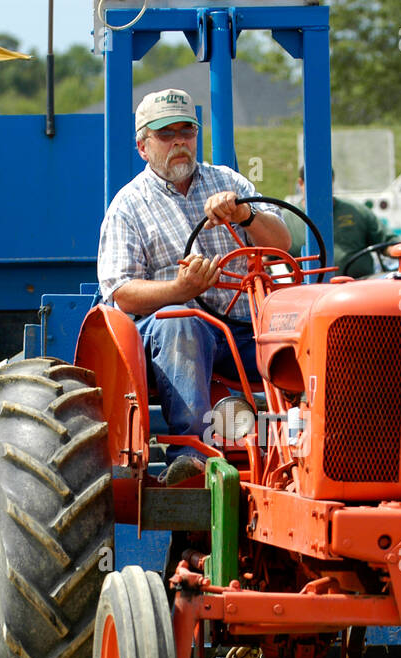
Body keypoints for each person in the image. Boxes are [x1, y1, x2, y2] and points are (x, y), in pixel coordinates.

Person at [97, 88, 290, 482]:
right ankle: (192, 455)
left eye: (186, 132)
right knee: (179, 319)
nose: (179, 143)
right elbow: (121, 293)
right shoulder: (128, 206)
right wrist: (178, 291)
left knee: (309, 330)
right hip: (176, 337)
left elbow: (281, 244)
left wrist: (245, 213)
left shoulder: (228, 182)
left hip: (245, 330)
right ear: (143, 146)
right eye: (166, 135)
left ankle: (313, 444)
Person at [283, 167, 396, 279]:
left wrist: (397, 250)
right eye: (314, 182)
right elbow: (268, 256)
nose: (320, 188)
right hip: (307, 292)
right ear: (301, 183)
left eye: (325, 181)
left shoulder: (356, 211)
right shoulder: (286, 220)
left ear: (332, 181)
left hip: (359, 285)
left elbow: (387, 241)